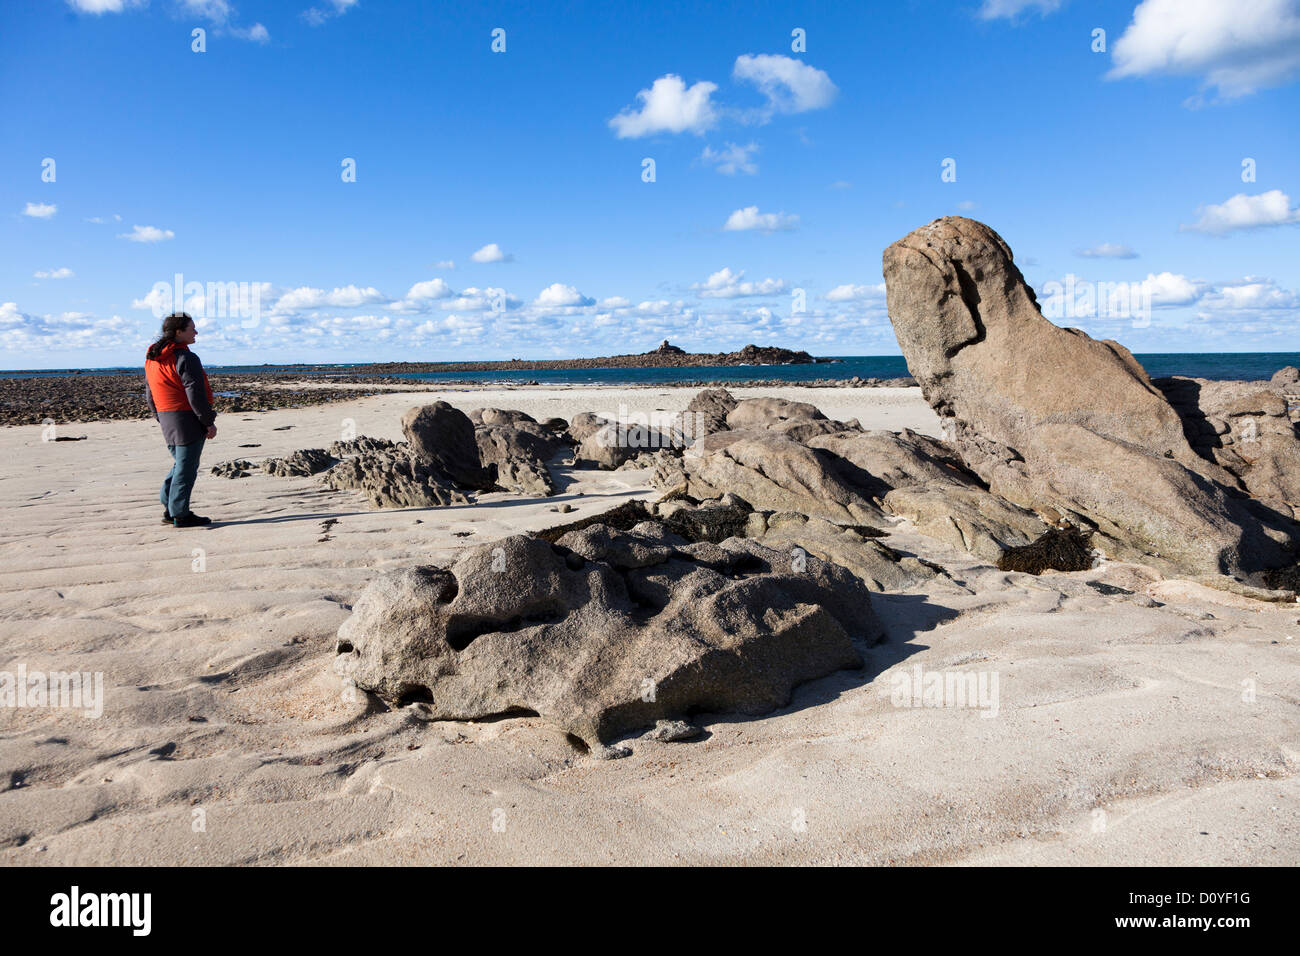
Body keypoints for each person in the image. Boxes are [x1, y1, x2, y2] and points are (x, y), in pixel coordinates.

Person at [144, 313, 217, 527]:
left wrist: (158, 415)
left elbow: (149, 392)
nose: (196, 332)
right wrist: (207, 421)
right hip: (186, 418)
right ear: (178, 332)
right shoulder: (185, 358)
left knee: (181, 464)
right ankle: (180, 514)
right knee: (186, 467)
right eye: (192, 329)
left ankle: (170, 506)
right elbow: (195, 394)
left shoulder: (153, 357)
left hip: (167, 417)